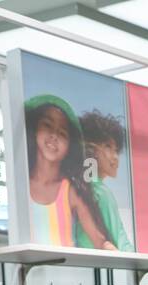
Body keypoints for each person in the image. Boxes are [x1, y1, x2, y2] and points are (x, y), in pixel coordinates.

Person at [24, 94, 114, 250]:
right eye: (47, 125)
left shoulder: (69, 190)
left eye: (62, 133)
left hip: (65, 272)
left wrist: (111, 249)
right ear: (35, 129)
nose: (54, 136)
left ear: (70, 147)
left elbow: (99, 240)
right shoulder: (21, 185)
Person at [78, 110, 134, 252]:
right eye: (108, 147)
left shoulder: (80, 188)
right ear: (91, 148)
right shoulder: (100, 192)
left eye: (116, 150)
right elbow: (121, 241)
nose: (115, 157)